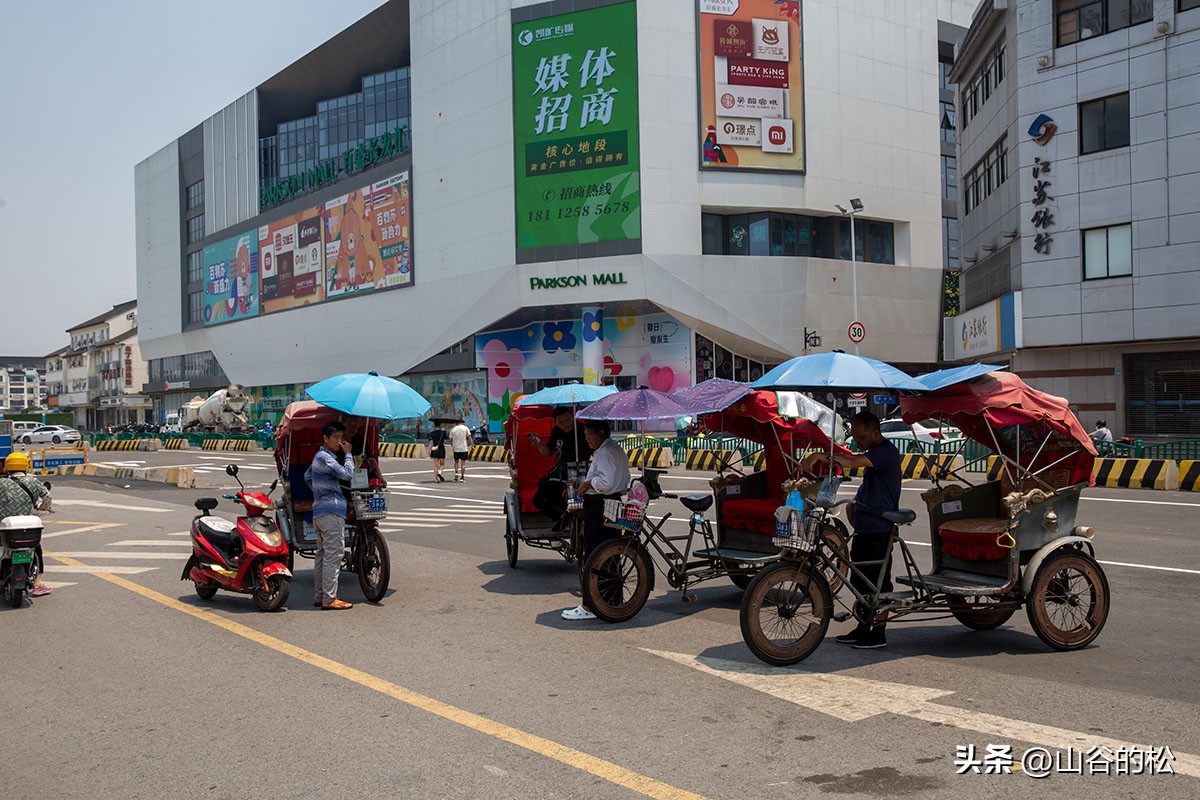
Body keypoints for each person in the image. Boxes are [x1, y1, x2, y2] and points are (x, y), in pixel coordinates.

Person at [805, 412, 901, 649]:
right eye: (856, 438)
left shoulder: (886, 452)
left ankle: (879, 632)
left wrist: (821, 455)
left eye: (862, 437)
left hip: (880, 527)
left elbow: (851, 462)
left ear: (875, 432)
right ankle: (862, 626)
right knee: (860, 581)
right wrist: (853, 505)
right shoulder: (873, 454)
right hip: (865, 526)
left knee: (878, 583)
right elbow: (869, 486)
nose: (859, 442)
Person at [561, 419, 631, 621]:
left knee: (594, 554)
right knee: (609, 554)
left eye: (589, 435)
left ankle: (590, 606)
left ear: (601, 432)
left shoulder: (607, 452)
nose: (587, 439)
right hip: (611, 504)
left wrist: (587, 484)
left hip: (601, 505)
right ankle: (611, 600)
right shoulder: (612, 449)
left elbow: (606, 483)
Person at [304, 421, 356, 610]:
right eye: (335, 438)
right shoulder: (326, 457)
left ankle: (320, 596)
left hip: (320, 511)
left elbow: (308, 477)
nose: (339, 442)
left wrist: (321, 491)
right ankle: (329, 598)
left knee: (323, 555)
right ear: (325, 439)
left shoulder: (320, 457)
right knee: (334, 555)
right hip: (331, 511)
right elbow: (347, 474)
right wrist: (348, 454)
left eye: (341, 438)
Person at [0, 453, 52, 597]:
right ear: (26, 466)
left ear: (7, 467)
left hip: (5, 528)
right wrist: (43, 509)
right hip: (29, 527)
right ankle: (38, 582)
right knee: (37, 550)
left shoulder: (1, 483)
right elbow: (47, 496)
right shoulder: (34, 482)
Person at [530, 406, 593, 527]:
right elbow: (548, 452)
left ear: (572, 417)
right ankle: (560, 517)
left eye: (567, 420)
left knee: (551, 487)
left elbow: (593, 448)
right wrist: (538, 444)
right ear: (556, 422)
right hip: (560, 469)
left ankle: (568, 515)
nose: (565, 424)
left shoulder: (582, 430)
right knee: (537, 499)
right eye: (561, 422)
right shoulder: (556, 431)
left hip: (579, 469)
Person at [338, 413, 387, 488]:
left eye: (356, 426)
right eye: (350, 425)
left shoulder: (360, 440)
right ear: (342, 425)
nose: (353, 429)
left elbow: (371, 460)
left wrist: (380, 477)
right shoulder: (336, 443)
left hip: (360, 480)